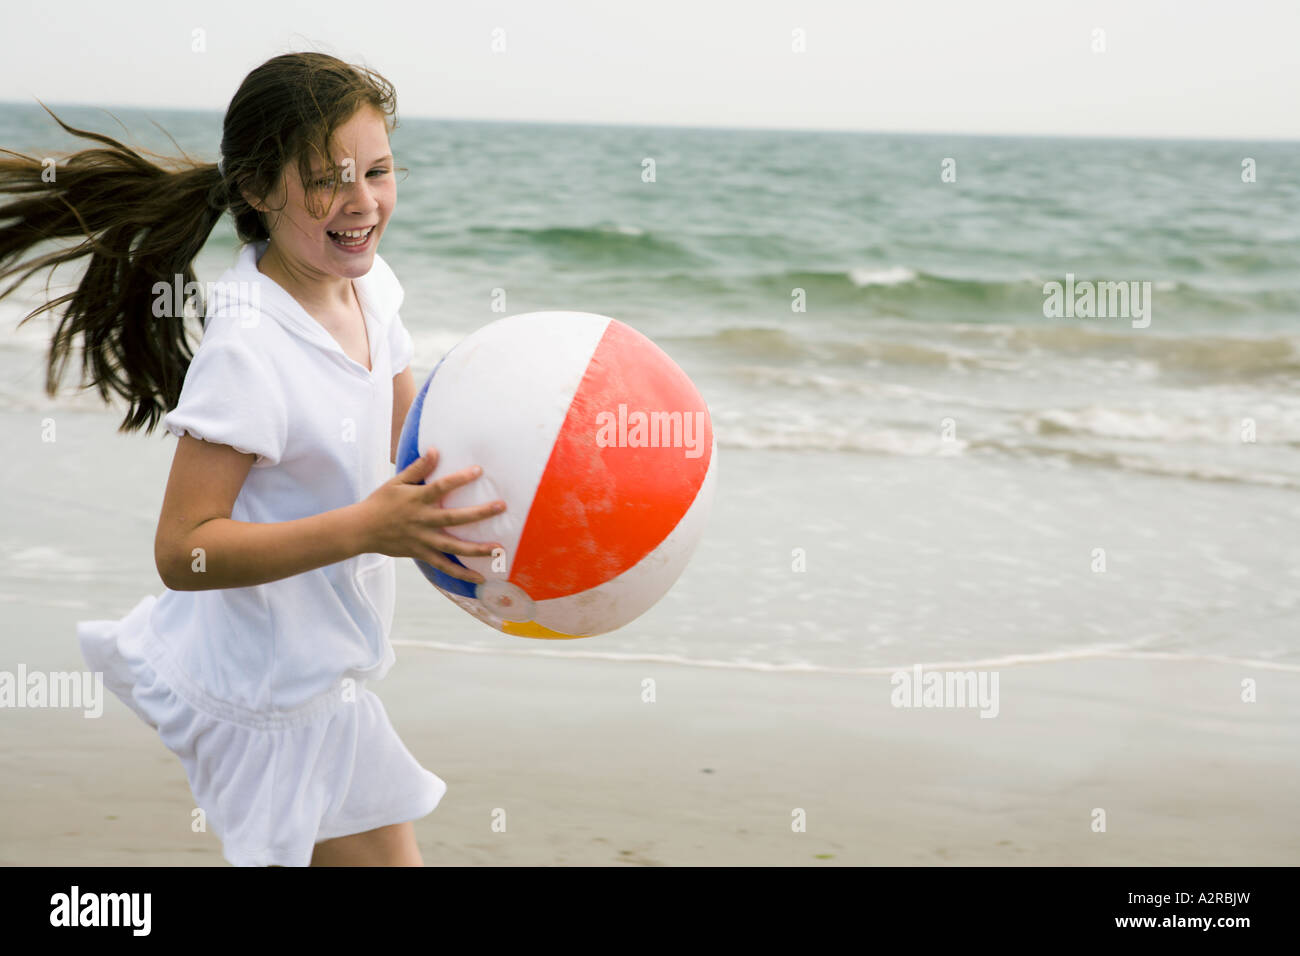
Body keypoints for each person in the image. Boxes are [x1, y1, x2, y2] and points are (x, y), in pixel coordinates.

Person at [0, 52, 506, 866]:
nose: (362, 202)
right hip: (269, 698)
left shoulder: (372, 290)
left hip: (325, 677)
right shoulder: (250, 347)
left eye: (378, 171)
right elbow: (183, 548)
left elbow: (416, 453)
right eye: (327, 180)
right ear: (254, 190)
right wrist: (369, 529)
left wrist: (489, 540)